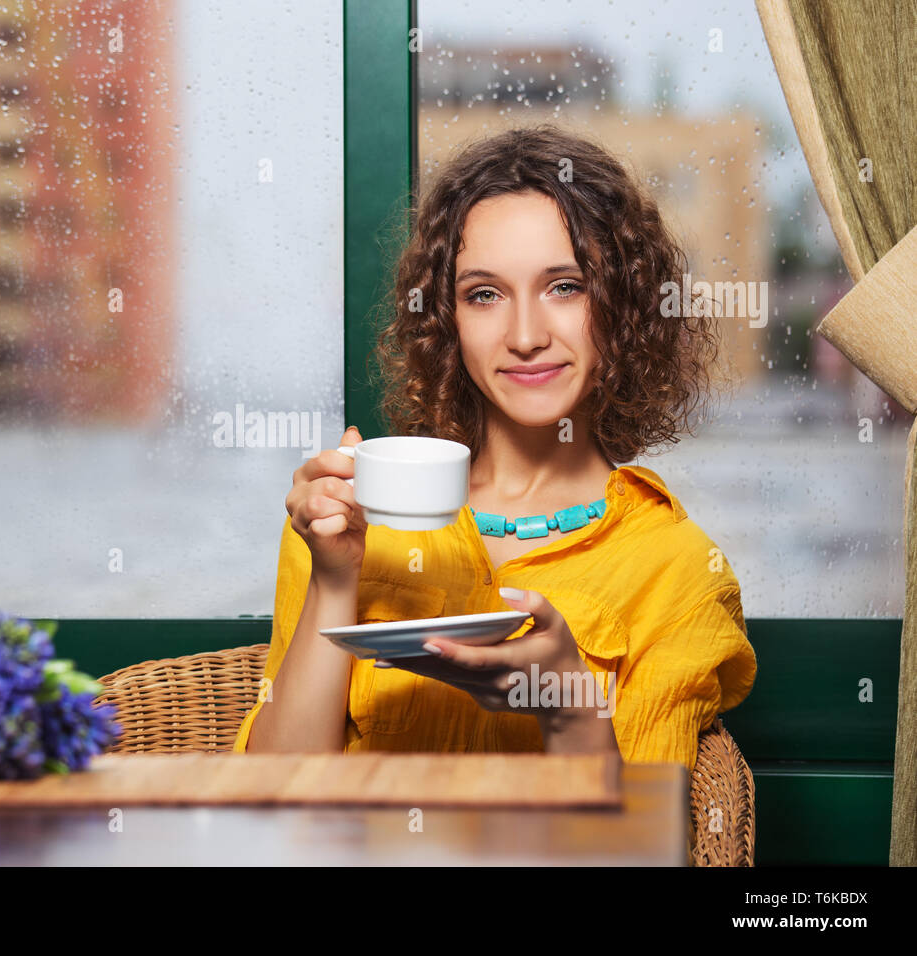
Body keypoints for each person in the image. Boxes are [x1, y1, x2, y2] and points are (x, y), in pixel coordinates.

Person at [234, 124, 756, 771]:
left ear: (621, 304)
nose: (526, 335)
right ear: (448, 322)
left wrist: (568, 707)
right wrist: (336, 577)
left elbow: (644, 847)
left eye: (565, 286)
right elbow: (273, 793)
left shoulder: (677, 570)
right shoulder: (344, 518)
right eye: (485, 294)